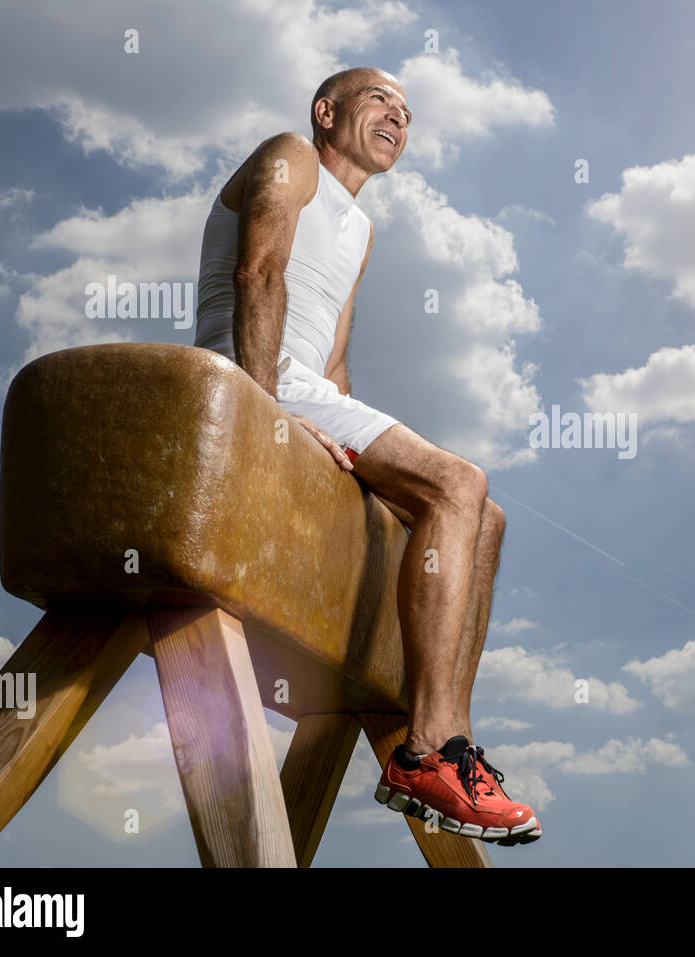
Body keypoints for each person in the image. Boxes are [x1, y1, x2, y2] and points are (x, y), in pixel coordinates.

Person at [193, 67, 540, 846]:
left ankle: (450, 745)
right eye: (381, 100)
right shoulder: (289, 155)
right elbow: (260, 273)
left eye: (409, 114)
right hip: (252, 373)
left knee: (481, 519)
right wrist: (264, 416)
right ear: (327, 111)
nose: (399, 117)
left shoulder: (361, 227)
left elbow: (338, 367)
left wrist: (374, 484)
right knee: (461, 480)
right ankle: (423, 750)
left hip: (309, 386)